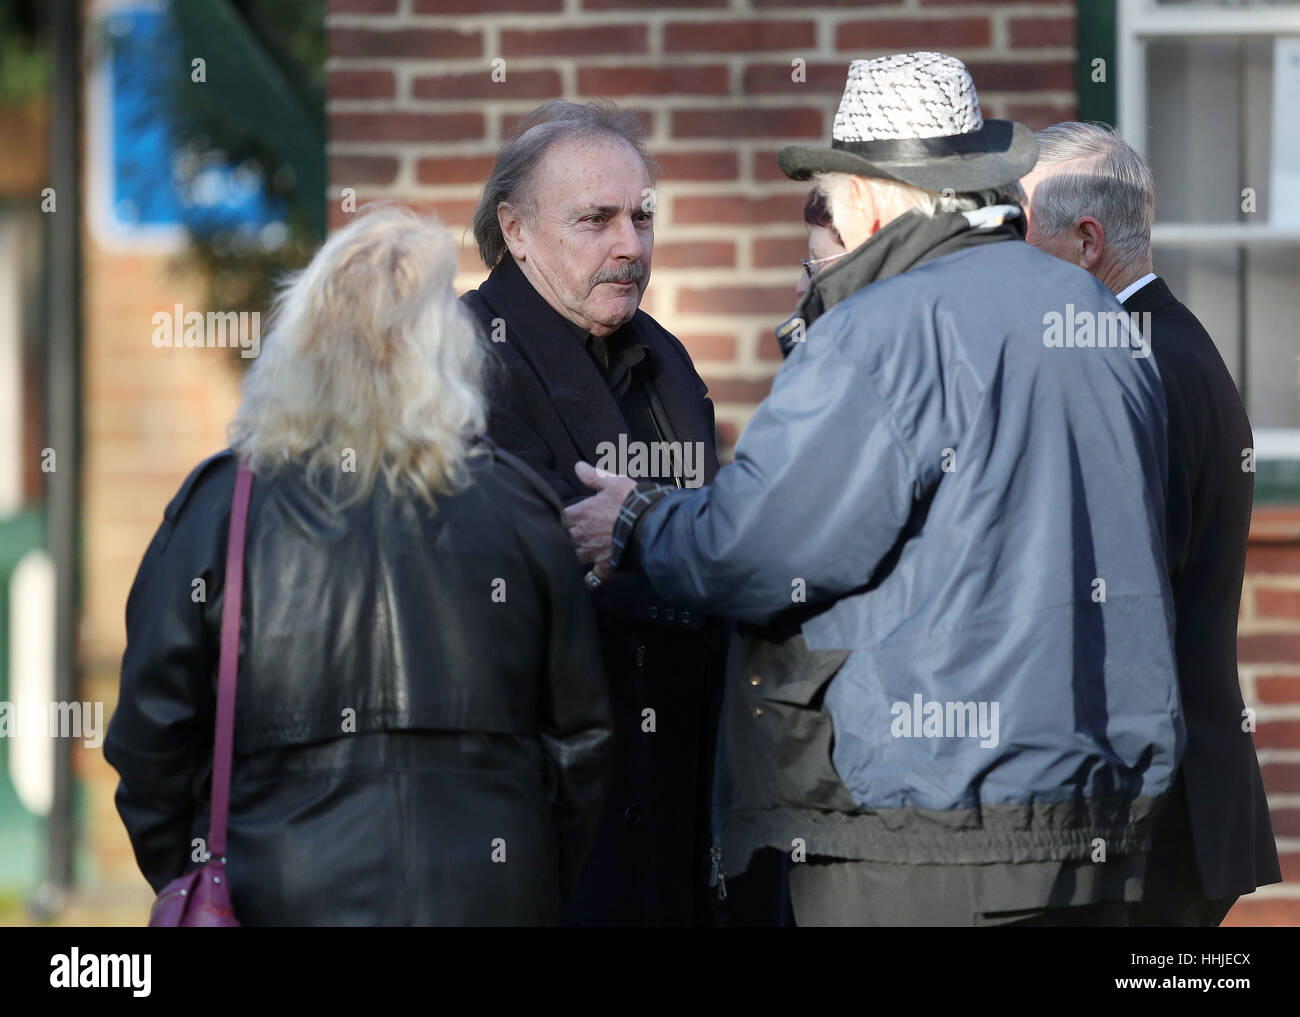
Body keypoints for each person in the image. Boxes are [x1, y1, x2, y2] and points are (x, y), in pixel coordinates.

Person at [566, 52, 1183, 927]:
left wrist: (636, 521)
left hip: (921, 836)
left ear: (873, 194)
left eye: (833, 188)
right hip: (1093, 828)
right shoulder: (1095, 316)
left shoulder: (883, 328)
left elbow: (756, 548)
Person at [104, 205, 613, 926]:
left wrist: (199, 874)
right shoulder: (520, 506)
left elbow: (148, 740)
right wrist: (528, 877)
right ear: (448, 349)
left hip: (276, 894)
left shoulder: (223, 508)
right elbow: (581, 743)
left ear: (300, 342)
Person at [460, 99, 726, 926]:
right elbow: (545, 554)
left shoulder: (664, 359)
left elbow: (667, 545)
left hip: (674, 812)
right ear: (517, 229)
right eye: (596, 219)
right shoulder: (461, 355)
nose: (631, 245)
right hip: (544, 824)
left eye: (642, 217)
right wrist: (682, 542)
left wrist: (643, 533)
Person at [1020, 121, 1281, 926]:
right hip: (1177, 798)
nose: (1004, 260)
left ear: (1087, 240)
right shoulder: (1164, 343)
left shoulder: (1133, 368)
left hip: (1149, 821)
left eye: (1020, 231)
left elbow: (1113, 600)